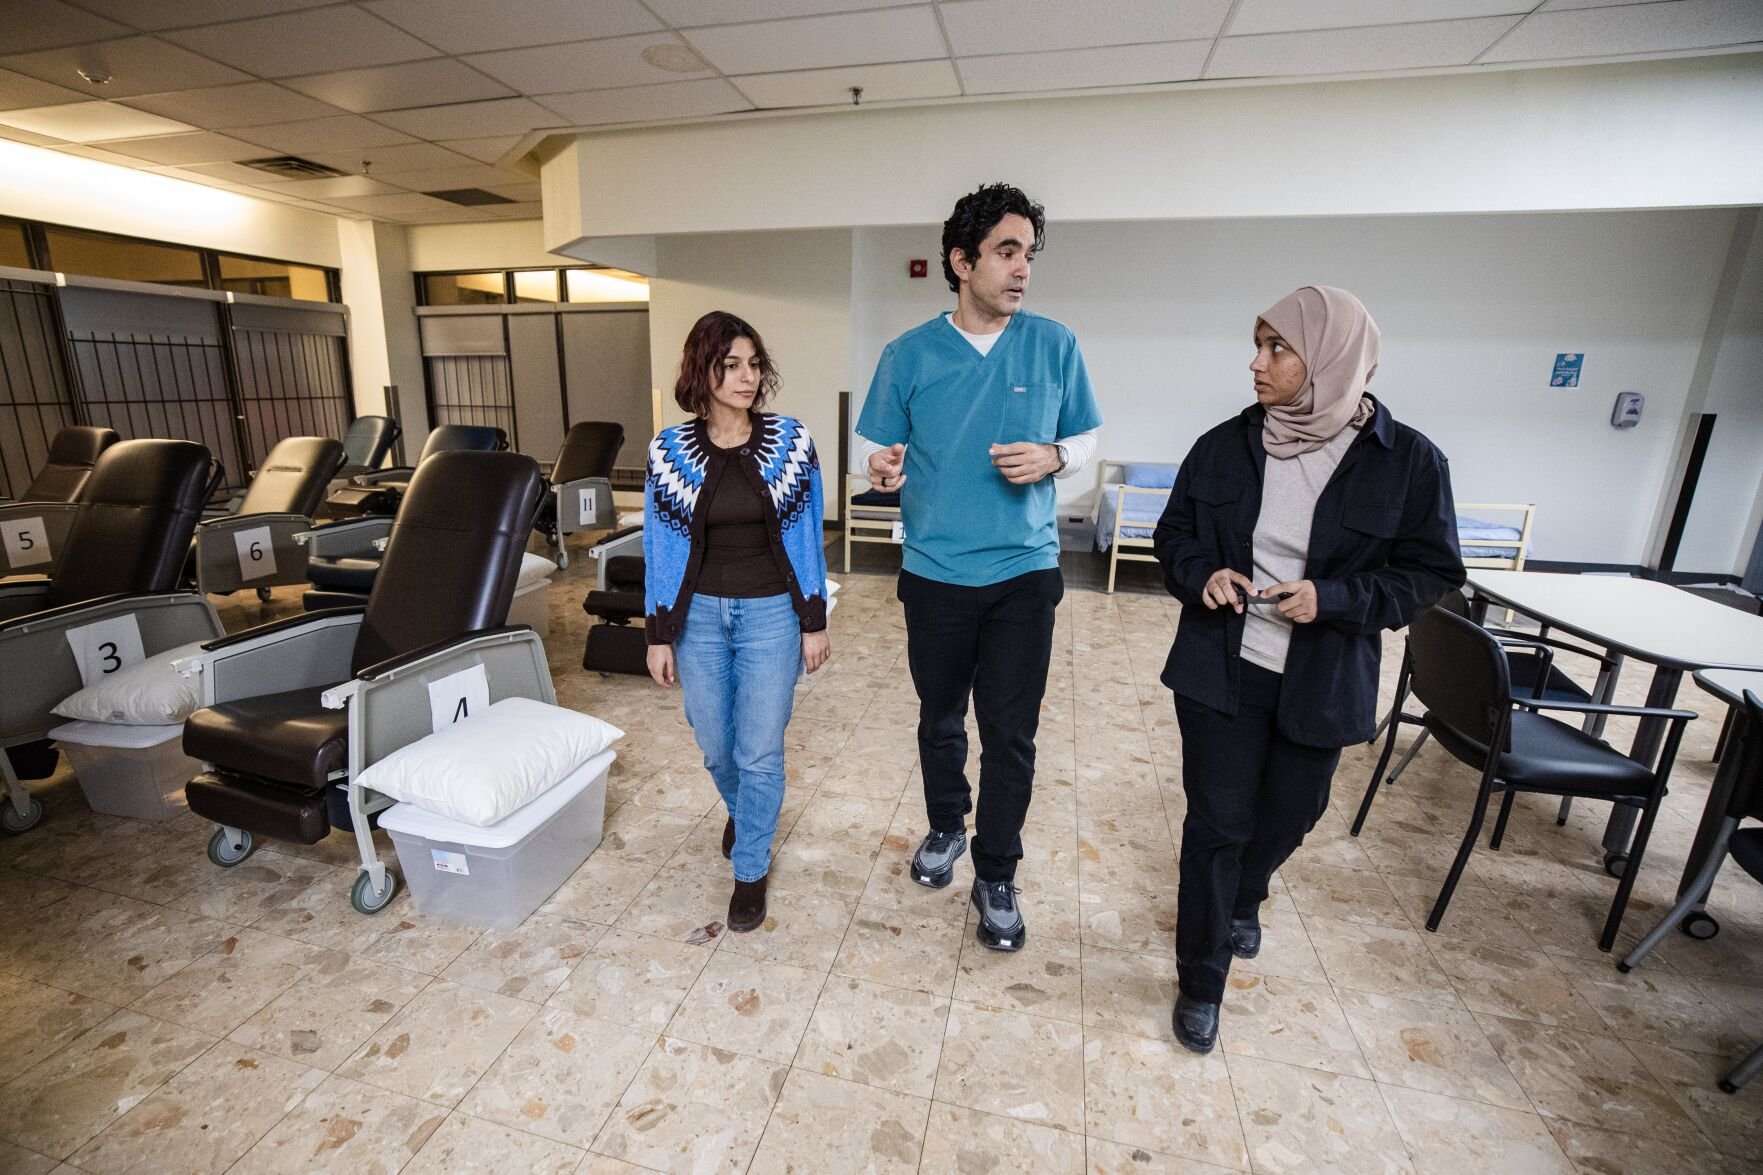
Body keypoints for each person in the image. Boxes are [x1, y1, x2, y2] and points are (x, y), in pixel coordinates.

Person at [1153, 285, 1465, 1052]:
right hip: (1223, 668)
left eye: (1275, 348)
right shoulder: (1224, 444)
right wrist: (1203, 575)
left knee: (1292, 813)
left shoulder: (1410, 463)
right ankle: (1202, 975)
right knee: (1216, 824)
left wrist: (1331, 597)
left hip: (1322, 678)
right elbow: (1173, 535)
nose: (1255, 364)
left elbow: (1428, 575)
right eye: (1256, 345)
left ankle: (1246, 893)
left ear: (1327, 358)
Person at [856, 182, 1103, 952]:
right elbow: (874, 453)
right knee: (939, 719)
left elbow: (1087, 446)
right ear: (961, 262)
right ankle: (942, 826)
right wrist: (882, 470)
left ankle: (996, 870)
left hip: (1023, 573)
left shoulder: (1054, 344)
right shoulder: (907, 355)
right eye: (1005, 251)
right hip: (933, 572)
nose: (1021, 268)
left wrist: (1056, 456)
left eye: (1028, 253)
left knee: (1011, 732)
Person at [643, 310, 831, 933]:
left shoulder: (791, 443)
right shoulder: (667, 452)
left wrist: (813, 619)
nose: (747, 377)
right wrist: (658, 631)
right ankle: (747, 812)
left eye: (754, 365)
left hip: (771, 618)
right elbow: (658, 546)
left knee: (758, 753)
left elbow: (806, 536)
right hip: (697, 621)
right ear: (704, 371)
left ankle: (750, 868)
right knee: (714, 743)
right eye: (731, 366)